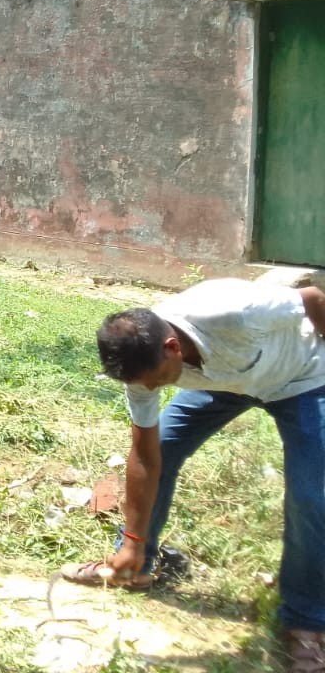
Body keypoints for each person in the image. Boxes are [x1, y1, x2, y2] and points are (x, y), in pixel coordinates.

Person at [63, 278, 325, 671]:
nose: (149, 389)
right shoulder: (142, 364)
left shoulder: (233, 310)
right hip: (224, 384)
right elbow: (145, 456)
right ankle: (135, 564)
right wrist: (132, 540)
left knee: (312, 494)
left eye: (155, 379)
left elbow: (314, 297)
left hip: (301, 379)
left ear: (173, 347)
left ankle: (306, 622)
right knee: (164, 451)